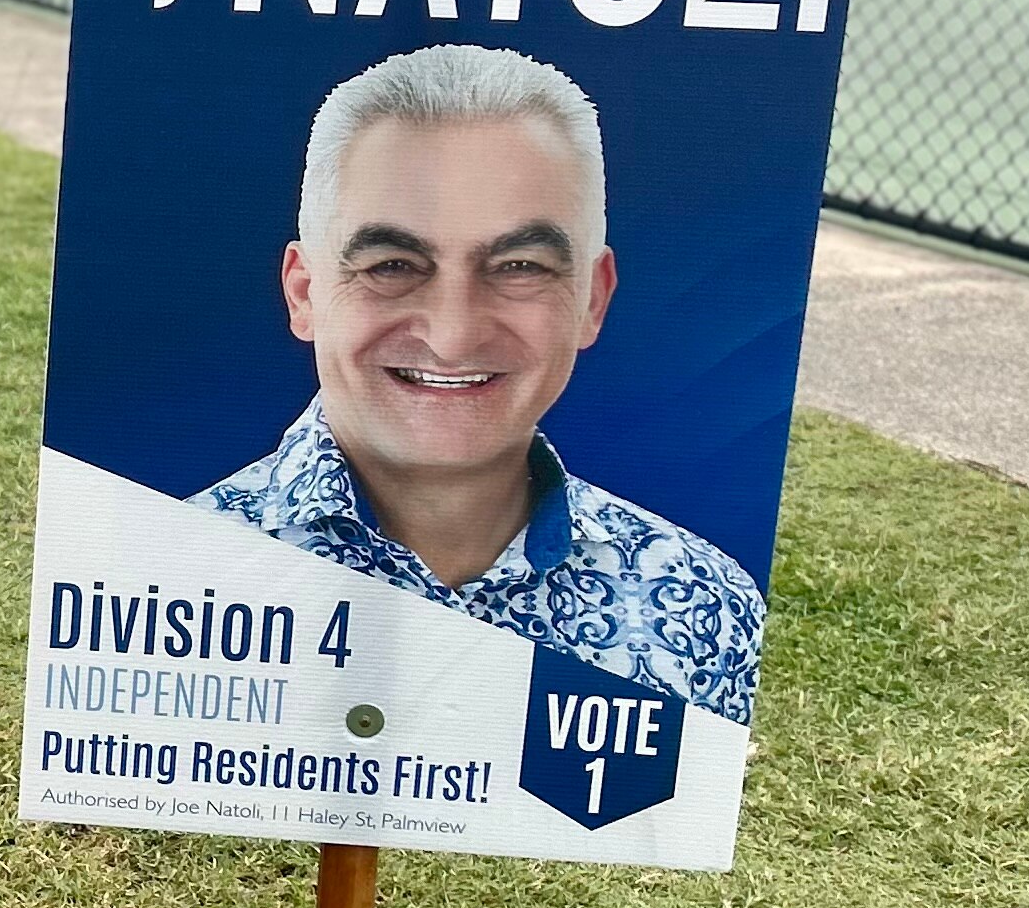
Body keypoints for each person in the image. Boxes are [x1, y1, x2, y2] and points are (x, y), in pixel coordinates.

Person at [197, 43, 763, 719]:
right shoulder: (158, 576)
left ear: (592, 300)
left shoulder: (708, 603)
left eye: (520, 266)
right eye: (392, 264)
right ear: (305, 293)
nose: (453, 334)